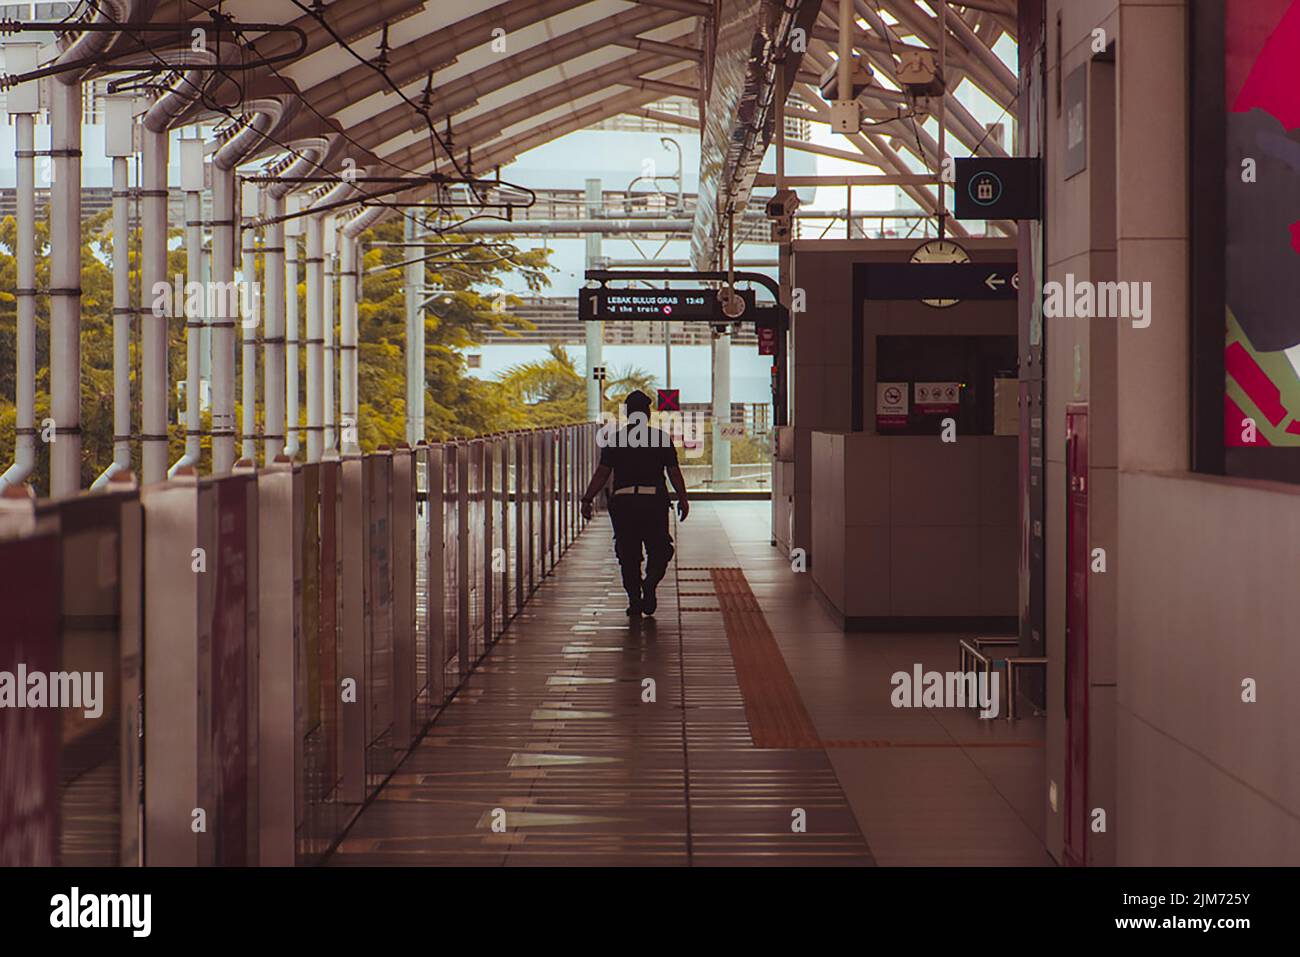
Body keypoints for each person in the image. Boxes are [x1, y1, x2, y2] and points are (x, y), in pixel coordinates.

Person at [580, 390, 690, 617]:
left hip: (624, 504)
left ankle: (634, 600)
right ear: (647, 414)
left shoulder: (616, 439)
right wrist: (683, 498)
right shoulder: (660, 438)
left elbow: (602, 474)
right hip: (654, 504)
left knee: (628, 555)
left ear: (628, 414)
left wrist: (587, 499)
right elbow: (674, 473)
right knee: (660, 550)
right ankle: (649, 584)